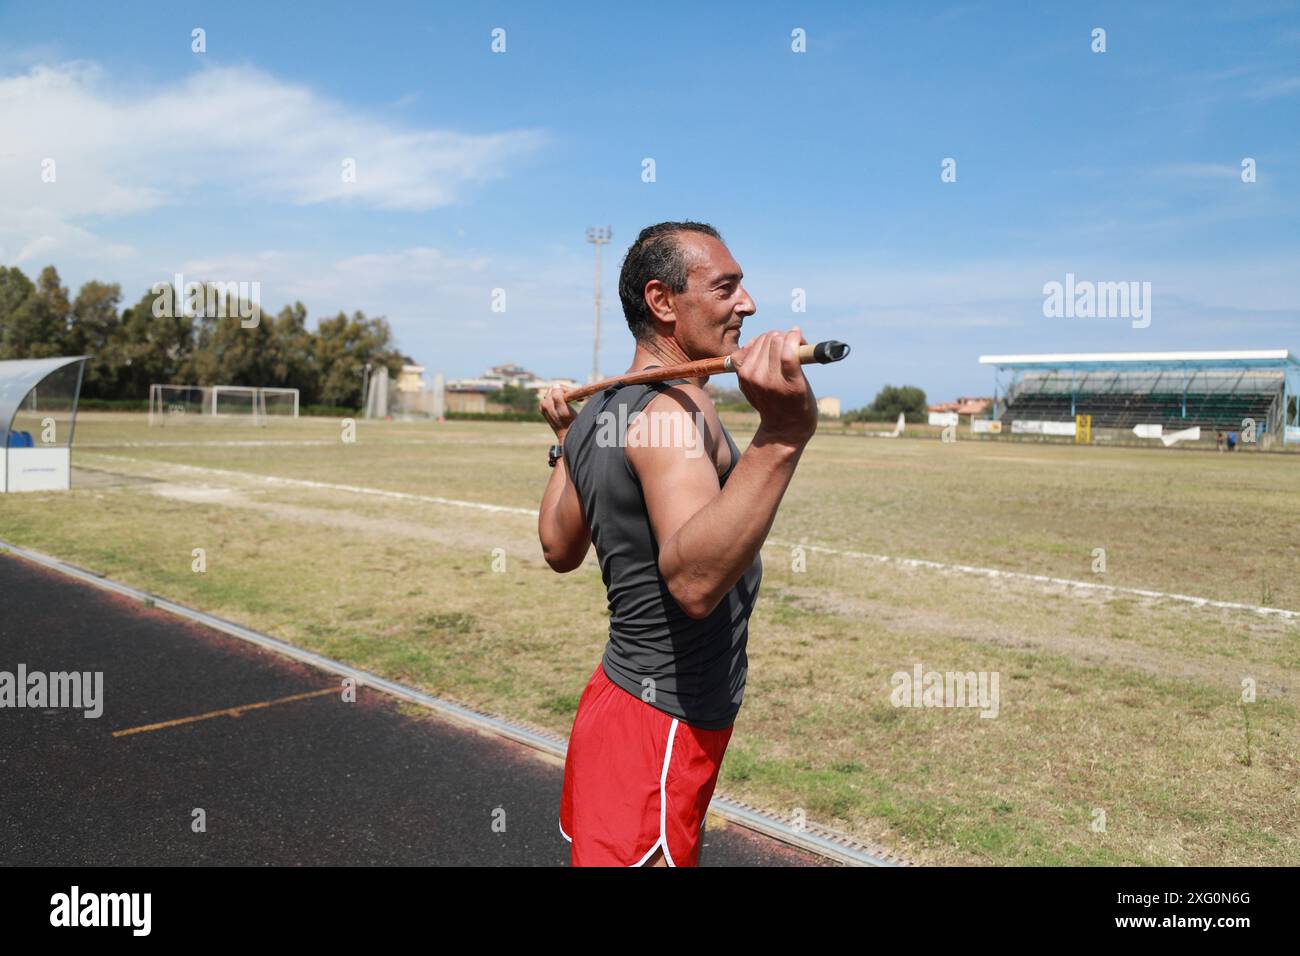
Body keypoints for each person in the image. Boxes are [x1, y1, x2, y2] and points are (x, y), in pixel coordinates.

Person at [536, 221, 818, 866]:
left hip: (620, 700)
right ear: (663, 302)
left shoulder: (600, 411)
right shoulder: (672, 410)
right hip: (656, 722)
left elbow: (557, 549)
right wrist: (782, 434)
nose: (747, 304)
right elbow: (692, 582)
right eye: (726, 288)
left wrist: (563, 442)